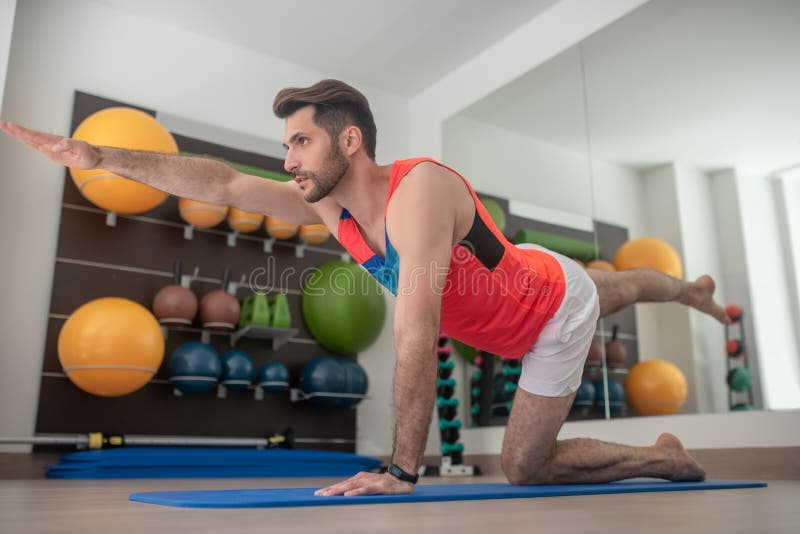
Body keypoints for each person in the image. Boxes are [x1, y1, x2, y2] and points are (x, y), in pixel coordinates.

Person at [0, 79, 728, 497]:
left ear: (350, 142)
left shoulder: (419, 194)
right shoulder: (330, 205)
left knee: (523, 465)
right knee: (620, 285)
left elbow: (417, 333)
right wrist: (98, 154)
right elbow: (221, 181)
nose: (288, 159)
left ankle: (663, 454)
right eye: (287, 144)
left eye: (300, 141)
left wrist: (402, 471)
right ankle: (687, 290)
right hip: (526, 276)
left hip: (547, 314)